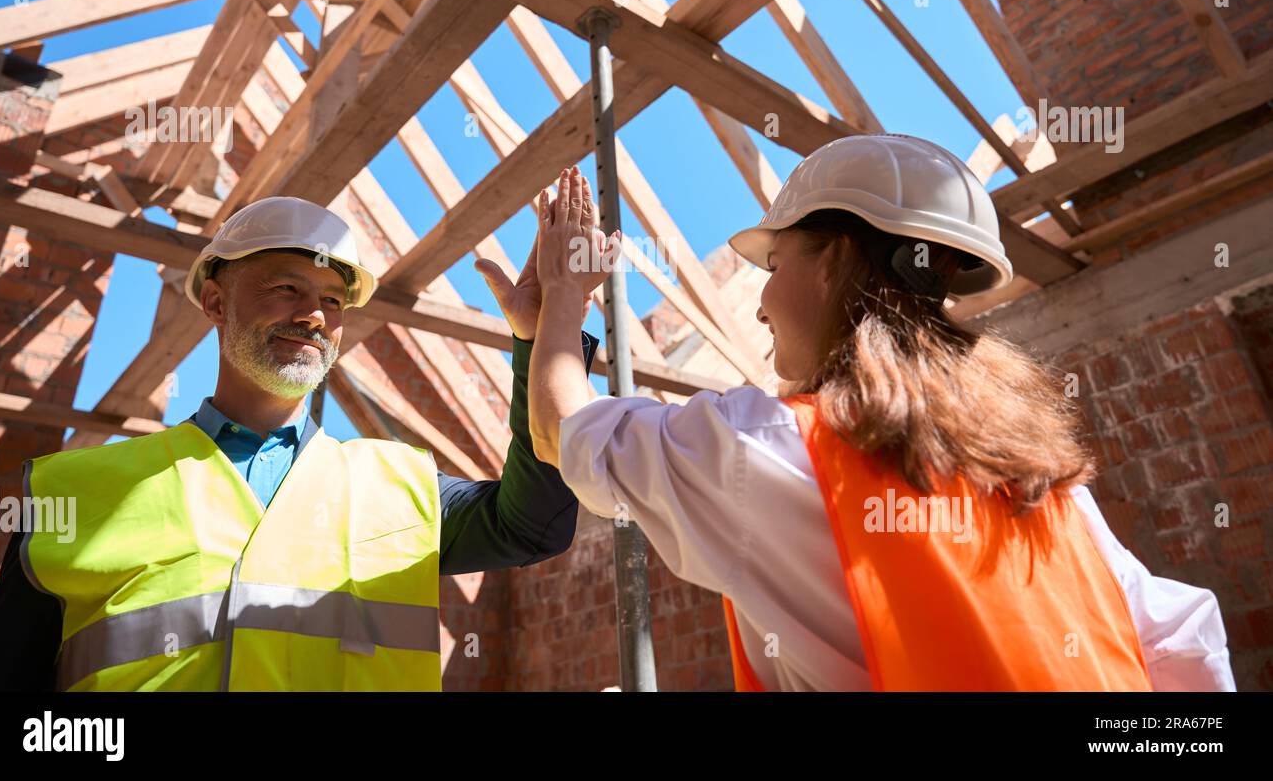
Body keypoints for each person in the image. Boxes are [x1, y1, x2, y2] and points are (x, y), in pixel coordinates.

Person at [525, 138, 1235, 691]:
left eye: (774, 265)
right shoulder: (1047, 486)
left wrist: (562, 301)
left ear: (833, 259)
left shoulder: (768, 450)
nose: (762, 301)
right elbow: (1180, 643)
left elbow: (563, 430)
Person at [0, 195, 595, 691]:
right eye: (285, 290)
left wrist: (548, 336)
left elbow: (534, 525)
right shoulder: (75, 493)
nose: (315, 315)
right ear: (216, 301)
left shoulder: (399, 486)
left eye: (331, 299)